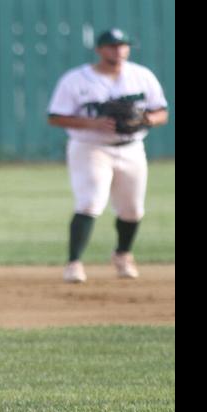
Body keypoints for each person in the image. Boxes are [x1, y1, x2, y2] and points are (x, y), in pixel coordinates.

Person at [46, 28, 169, 283]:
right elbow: (55, 117)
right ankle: (74, 263)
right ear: (99, 50)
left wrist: (146, 119)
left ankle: (123, 255)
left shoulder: (141, 76)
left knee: (133, 210)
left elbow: (162, 113)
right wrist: (92, 124)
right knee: (90, 203)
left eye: (123, 46)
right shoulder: (76, 80)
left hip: (132, 148)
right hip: (90, 147)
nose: (119, 50)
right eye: (112, 46)